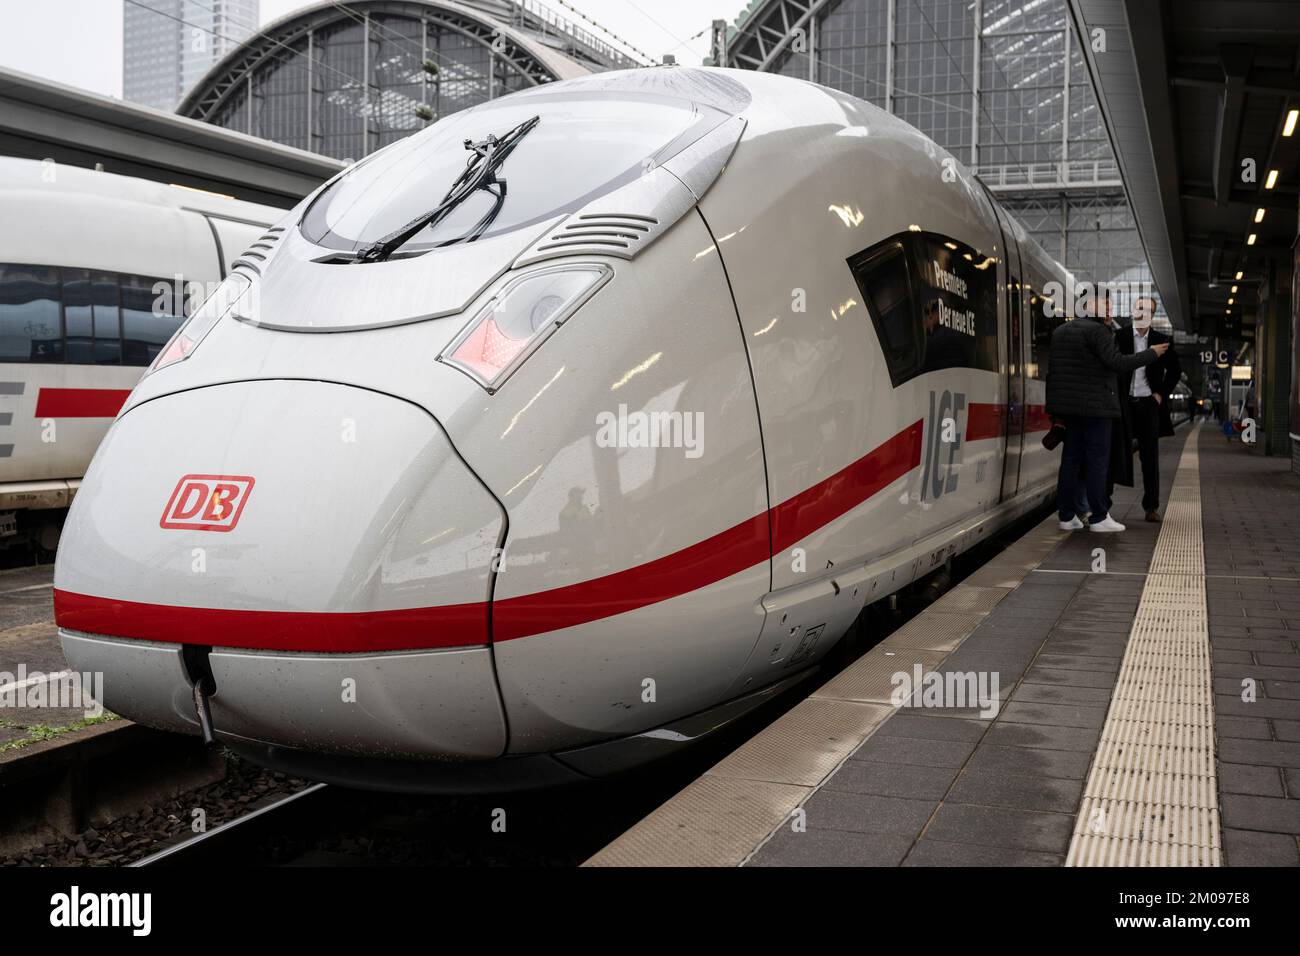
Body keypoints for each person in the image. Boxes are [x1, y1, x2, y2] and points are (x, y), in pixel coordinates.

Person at [1047, 297, 1168, 533]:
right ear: (1090, 307)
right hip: (1096, 408)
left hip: (1070, 410)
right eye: (1106, 305)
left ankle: (1066, 515)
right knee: (1097, 462)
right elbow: (1118, 363)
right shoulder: (1099, 331)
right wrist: (1151, 354)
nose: (1110, 310)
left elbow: (1056, 372)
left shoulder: (1060, 331)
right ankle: (1099, 516)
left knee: (1070, 462)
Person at [1115, 296, 1182, 522]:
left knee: (1150, 458)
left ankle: (1151, 507)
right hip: (1124, 404)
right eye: (1140, 308)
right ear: (1133, 311)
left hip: (1148, 405)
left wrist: (1160, 393)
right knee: (1114, 453)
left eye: (1149, 310)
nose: (1143, 312)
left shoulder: (1162, 340)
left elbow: (1175, 371)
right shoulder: (1118, 337)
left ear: (1152, 315)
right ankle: (1104, 505)